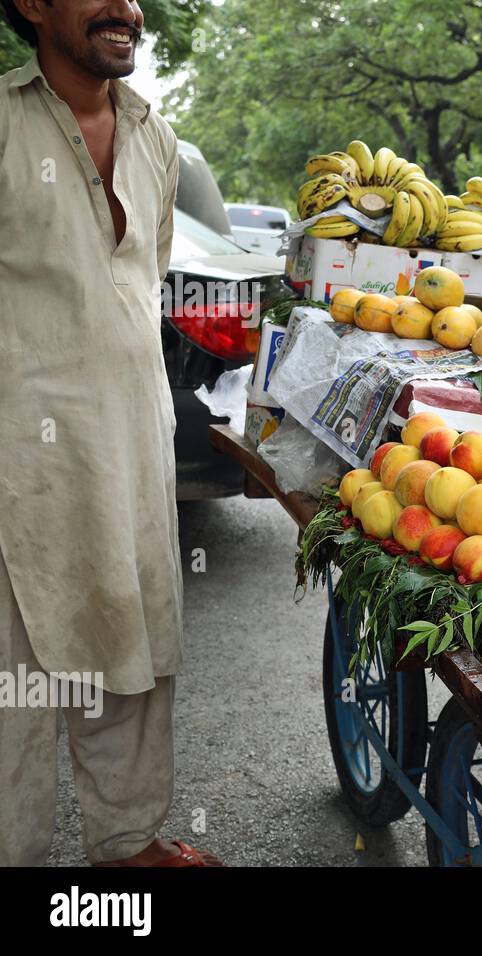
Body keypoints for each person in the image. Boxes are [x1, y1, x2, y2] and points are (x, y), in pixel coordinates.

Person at [0, 0, 220, 866]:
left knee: (130, 633)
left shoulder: (152, 134)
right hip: (20, 451)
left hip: (132, 433)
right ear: (31, 5)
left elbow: (144, 272)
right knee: (14, 671)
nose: (126, 9)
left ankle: (128, 842)